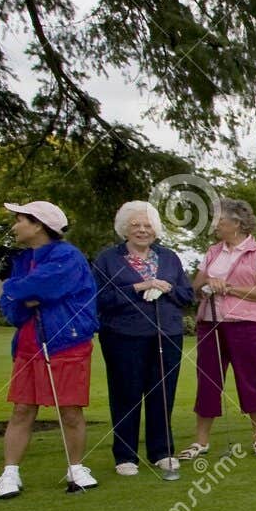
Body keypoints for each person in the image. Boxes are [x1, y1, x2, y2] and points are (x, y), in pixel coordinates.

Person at [0, 200, 100, 498]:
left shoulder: (67, 256)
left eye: (19, 220)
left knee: (70, 410)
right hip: (29, 344)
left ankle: (76, 468)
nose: (15, 226)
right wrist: (21, 295)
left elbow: (33, 288)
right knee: (22, 409)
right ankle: (10, 473)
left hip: (67, 342)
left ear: (38, 224)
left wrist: (23, 293)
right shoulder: (22, 260)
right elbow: (11, 300)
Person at [92, 201, 195, 476]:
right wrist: (140, 286)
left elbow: (187, 295)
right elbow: (100, 298)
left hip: (167, 334)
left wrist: (167, 287)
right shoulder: (108, 259)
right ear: (124, 228)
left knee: (162, 393)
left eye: (147, 225)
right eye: (135, 225)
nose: (142, 230)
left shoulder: (169, 257)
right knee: (126, 393)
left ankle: (162, 451)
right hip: (123, 336)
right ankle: (125, 455)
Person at [182, 198, 256, 457]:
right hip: (211, 323)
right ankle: (201, 441)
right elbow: (196, 289)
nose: (215, 226)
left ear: (236, 223)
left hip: (248, 325)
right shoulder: (213, 252)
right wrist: (209, 282)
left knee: (250, 379)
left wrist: (229, 288)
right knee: (208, 380)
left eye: (219, 221)